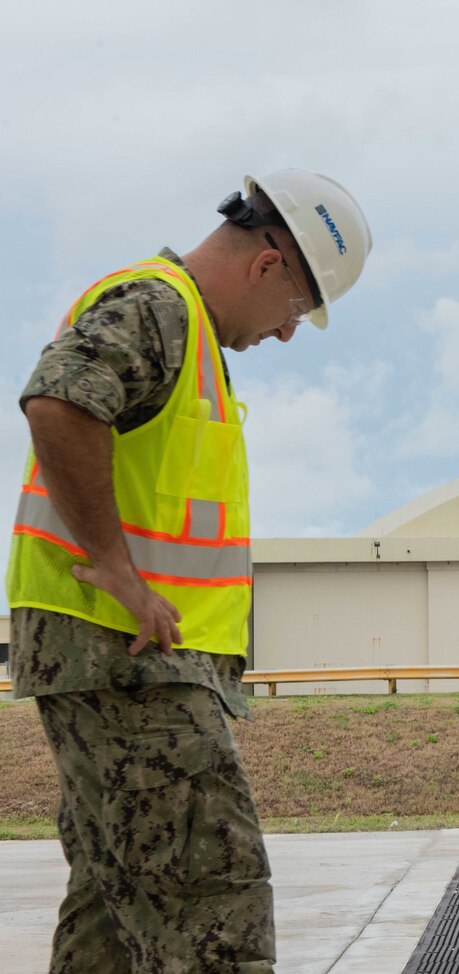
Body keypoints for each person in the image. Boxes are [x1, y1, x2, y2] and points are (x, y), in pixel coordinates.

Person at [7, 169, 371, 973]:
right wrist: (115, 565)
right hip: (126, 656)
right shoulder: (161, 306)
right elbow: (60, 400)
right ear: (268, 264)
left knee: (112, 916)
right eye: (296, 313)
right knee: (215, 904)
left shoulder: (184, 329)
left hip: (115, 658)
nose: (285, 333)